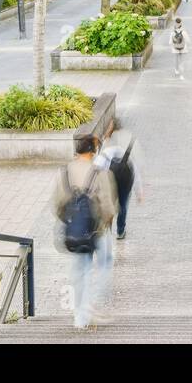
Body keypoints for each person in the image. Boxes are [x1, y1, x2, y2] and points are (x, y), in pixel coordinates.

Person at [54, 128, 118, 328]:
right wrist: (106, 222)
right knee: (106, 262)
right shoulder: (100, 173)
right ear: (92, 151)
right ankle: (92, 301)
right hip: (97, 229)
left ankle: (79, 318)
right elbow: (107, 205)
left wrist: (72, 221)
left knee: (80, 271)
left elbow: (58, 203)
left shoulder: (64, 172)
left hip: (75, 231)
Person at [94, 118, 141, 241]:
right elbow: (134, 167)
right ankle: (120, 231)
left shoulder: (107, 143)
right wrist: (138, 190)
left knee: (107, 202)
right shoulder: (128, 140)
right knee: (123, 204)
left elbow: (99, 164)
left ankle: (106, 228)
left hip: (110, 177)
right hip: (126, 179)